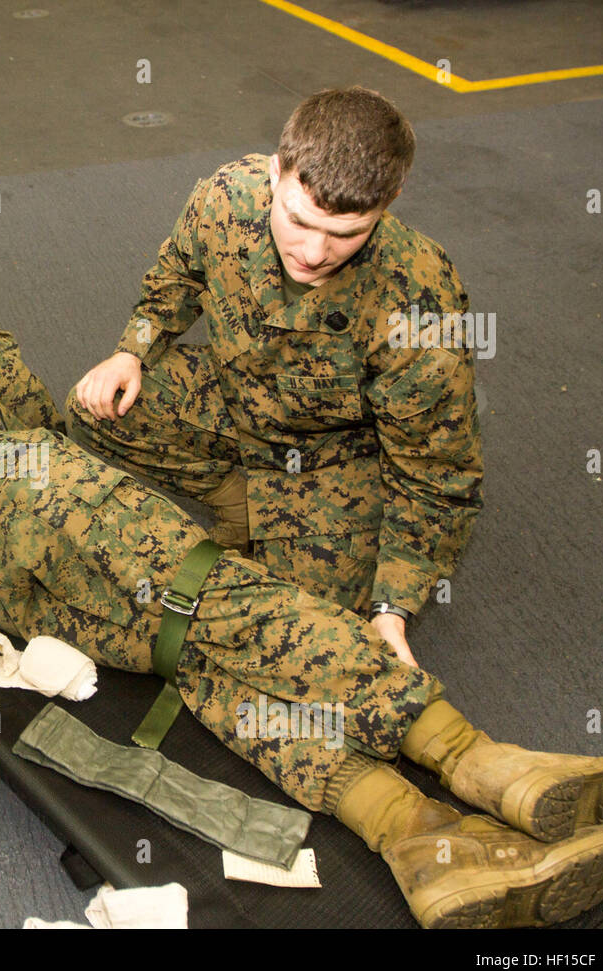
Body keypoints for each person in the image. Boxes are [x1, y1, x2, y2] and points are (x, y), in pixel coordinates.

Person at [0, 273, 603, 929]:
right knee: (222, 599)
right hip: (16, 480)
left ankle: (417, 838)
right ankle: (477, 761)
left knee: (187, 650)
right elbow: (30, 404)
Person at [69, 87, 484, 670]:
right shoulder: (226, 197)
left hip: (333, 460)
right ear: (274, 172)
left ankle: (294, 530)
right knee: (98, 407)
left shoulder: (419, 303)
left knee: (302, 634)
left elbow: (436, 475)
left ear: (391, 199)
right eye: (299, 220)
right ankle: (241, 502)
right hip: (239, 400)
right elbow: (178, 274)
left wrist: (392, 607)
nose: (314, 252)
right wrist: (131, 351)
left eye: (346, 233)